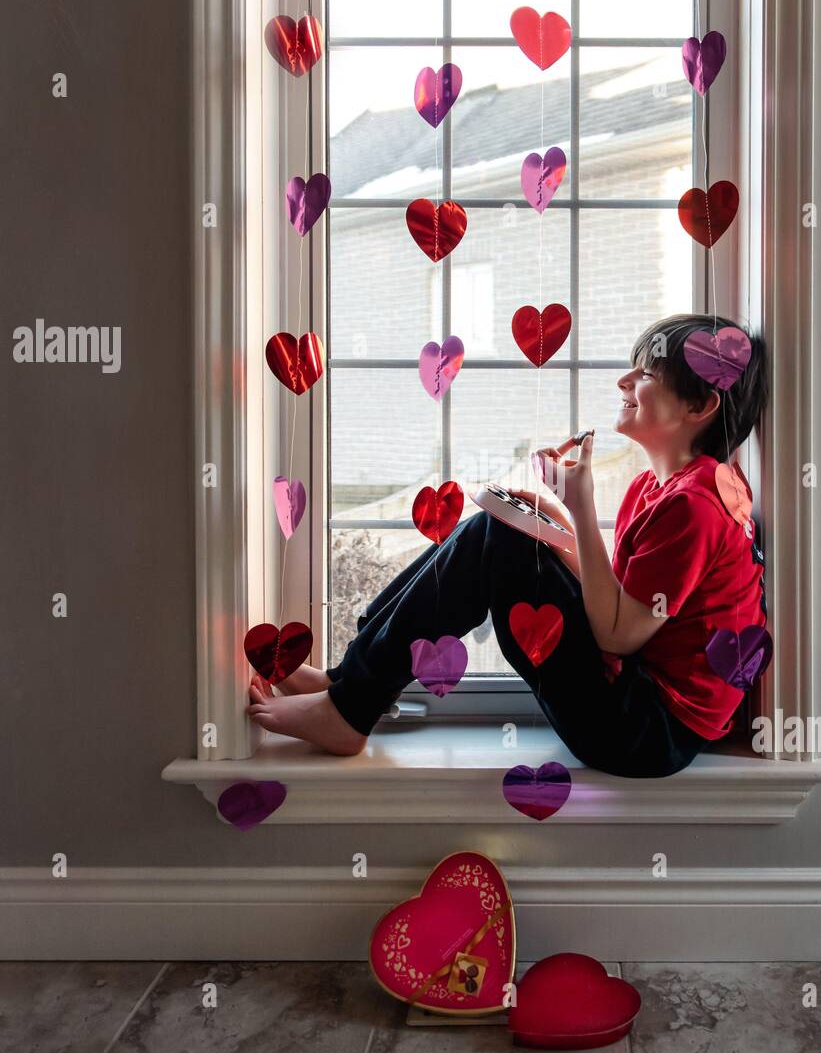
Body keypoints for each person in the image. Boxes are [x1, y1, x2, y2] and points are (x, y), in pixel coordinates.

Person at [247, 312, 769, 778]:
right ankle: (347, 684)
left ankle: (350, 707)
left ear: (700, 406)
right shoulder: (670, 487)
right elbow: (628, 602)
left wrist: (583, 509)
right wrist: (561, 529)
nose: (624, 380)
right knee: (506, 529)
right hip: (635, 702)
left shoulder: (693, 507)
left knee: (494, 536)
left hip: (644, 732)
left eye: (646, 374)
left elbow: (619, 634)